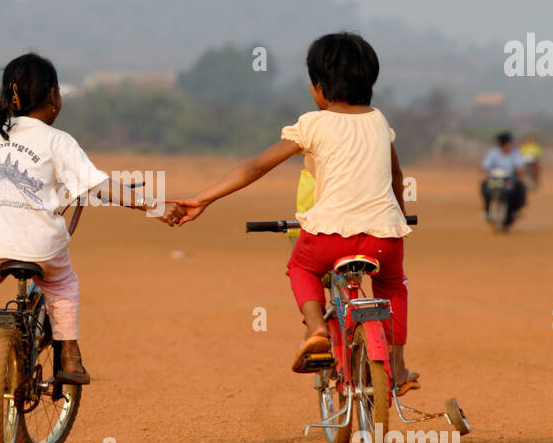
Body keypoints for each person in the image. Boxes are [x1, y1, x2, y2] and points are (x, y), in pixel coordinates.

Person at [170, 32, 419, 392]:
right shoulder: (380, 122)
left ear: (318, 87)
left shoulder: (313, 123)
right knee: (393, 285)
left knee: (300, 267)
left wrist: (204, 199)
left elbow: (256, 167)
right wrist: (398, 216)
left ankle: (317, 327)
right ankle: (396, 365)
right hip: (384, 239)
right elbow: (396, 176)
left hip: (326, 239)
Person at [0, 52, 176, 387]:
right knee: (62, 286)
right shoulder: (59, 142)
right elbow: (97, 185)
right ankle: (69, 353)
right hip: (43, 245)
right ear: (54, 95)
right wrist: (152, 205)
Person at [480, 132, 526, 223]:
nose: (510, 145)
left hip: (510, 179)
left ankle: (515, 210)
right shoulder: (493, 153)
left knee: (520, 187)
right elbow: (486, 165)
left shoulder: (515, 153)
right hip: (496, 179)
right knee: (485, 186)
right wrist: (485, 170)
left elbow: (520, 166)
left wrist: (520, 172)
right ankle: (487, 209)